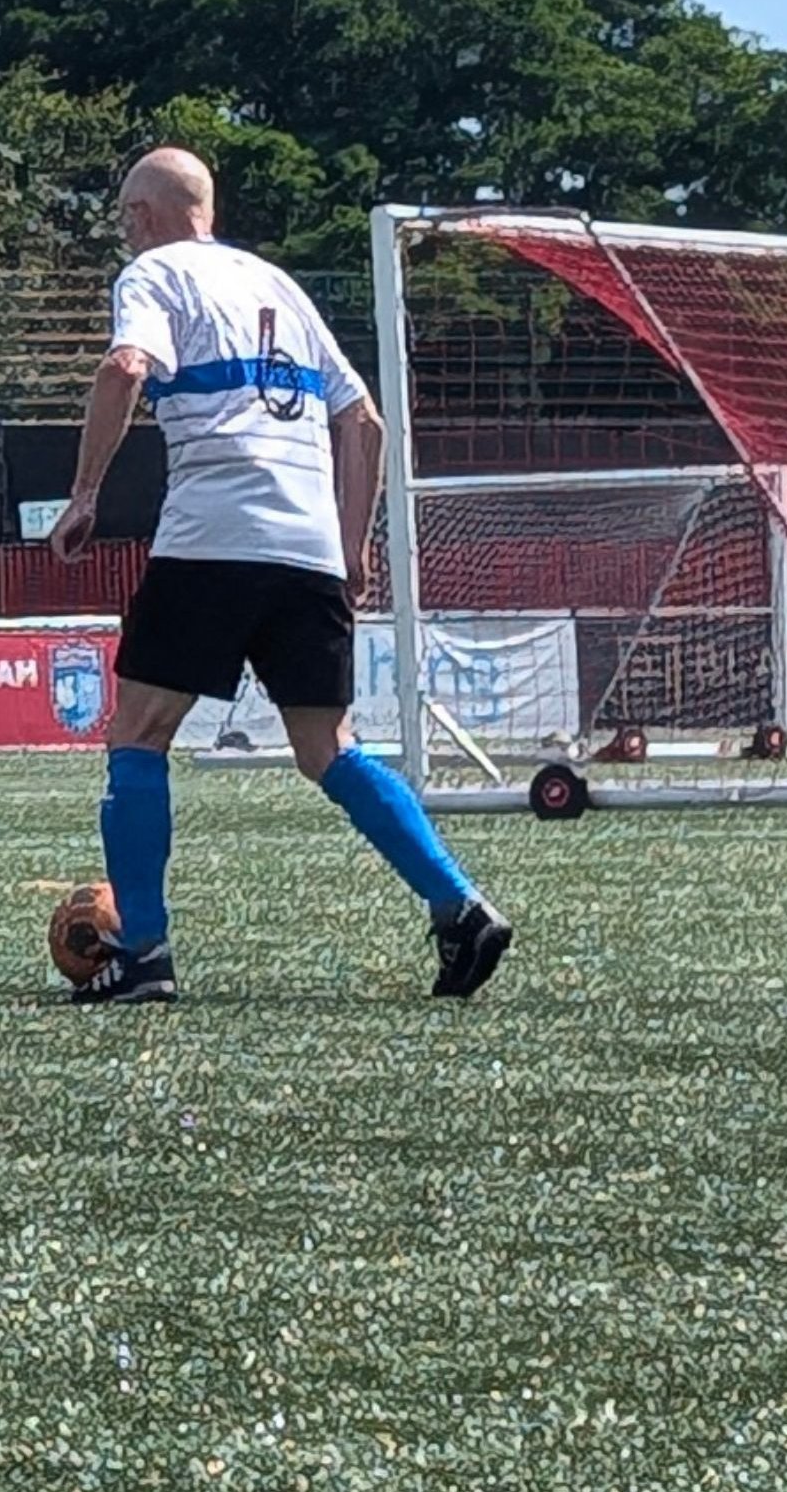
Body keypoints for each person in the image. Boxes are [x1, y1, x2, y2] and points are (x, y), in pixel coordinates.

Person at [46, 146, 512, 1004]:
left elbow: (124, 368)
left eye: (125, 217)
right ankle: (461, 906)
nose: (124, 231)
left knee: (139, 735)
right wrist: (353, 546)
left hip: (211, 535)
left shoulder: (153, 275)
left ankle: (143, 954)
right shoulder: (280, 286)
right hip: (306, 548)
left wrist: (84, 494)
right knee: (327, 747)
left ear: (145, 216)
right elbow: (361, 416)